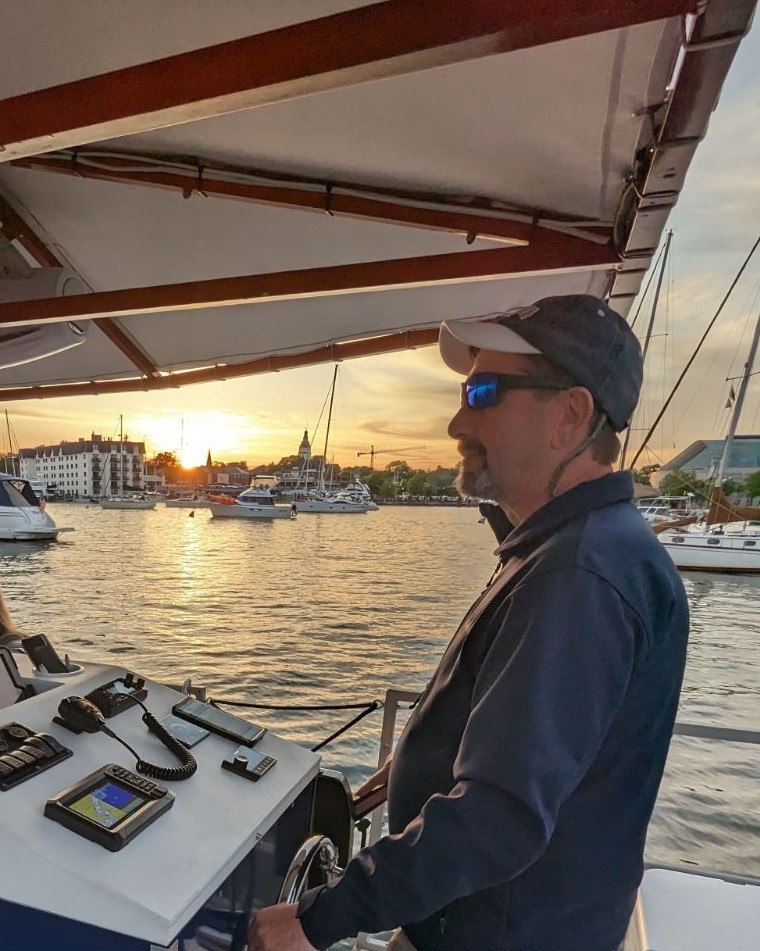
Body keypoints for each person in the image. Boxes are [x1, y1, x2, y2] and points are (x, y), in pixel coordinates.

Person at [248, 294, 689, 951]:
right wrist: (422, 758)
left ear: (568, 416)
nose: (457, 420)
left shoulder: (579, 573)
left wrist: (320, 919)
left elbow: (499, 816)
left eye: (483, 391)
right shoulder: (575, 548)